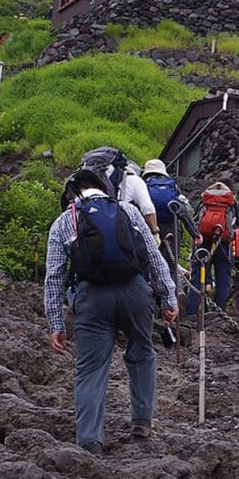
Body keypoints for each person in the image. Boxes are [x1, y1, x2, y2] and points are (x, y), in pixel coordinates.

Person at [44, 169, 178, 456]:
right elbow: (154, 257)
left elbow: (54, 276)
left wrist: (56, 323)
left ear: (72, 192)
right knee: (141, 352)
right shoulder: (127, 210)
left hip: (92, 296)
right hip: (134, 291)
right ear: (103, 187)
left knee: (90, 369)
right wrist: (168, 298)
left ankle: (90, 440)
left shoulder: (64, 221)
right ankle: (142, 422)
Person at [186, 181, 239, 316]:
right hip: (223, 244)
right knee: (223, 280)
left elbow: (194, 220)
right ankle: (220, 315)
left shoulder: (205, 199)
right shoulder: (230, 201)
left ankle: (191, 314)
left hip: (202, 243)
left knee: (196, 279)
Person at [141, 158, 199, 286]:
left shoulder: (143, 185)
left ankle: (153, 298)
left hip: (150, 229)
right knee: (170, 266)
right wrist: (195, 233)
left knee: (148, 264)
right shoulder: (172, 185)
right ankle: (173, 297)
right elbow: (182, 209)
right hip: (172, 228)